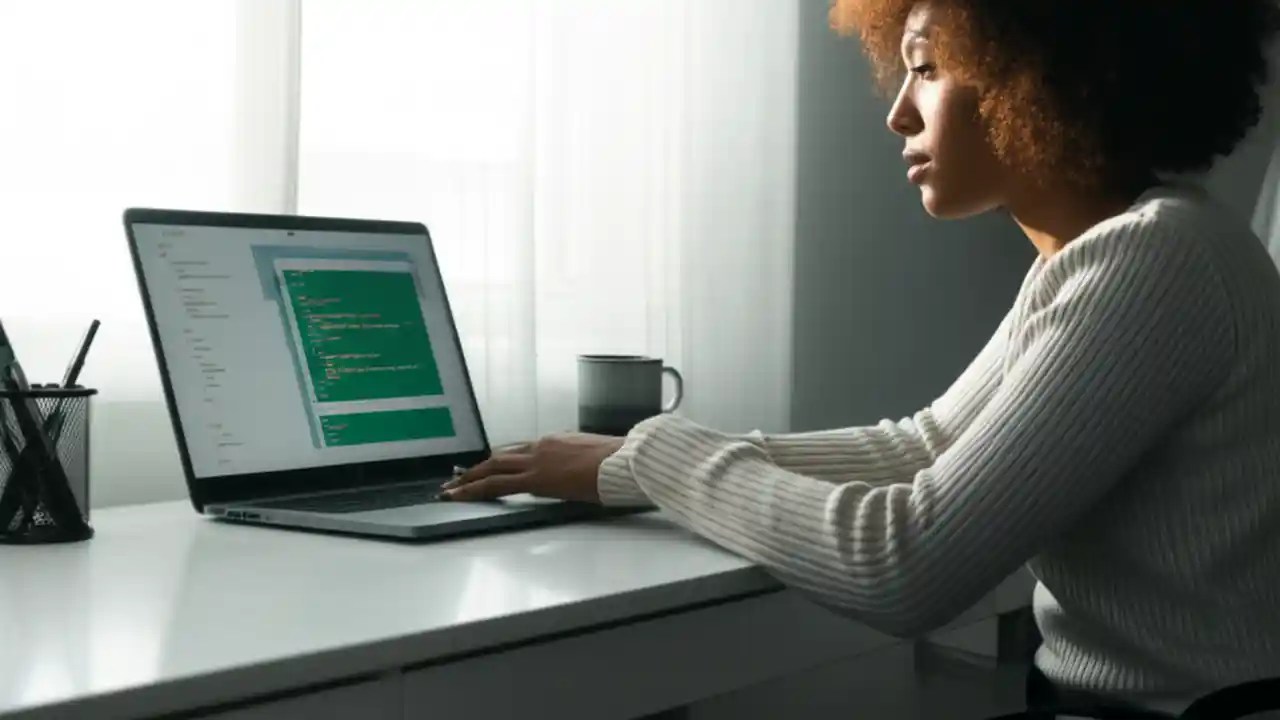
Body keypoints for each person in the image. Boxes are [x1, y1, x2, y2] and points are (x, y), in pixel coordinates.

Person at [442, 0, 1280, 713]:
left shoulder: (1158, 262)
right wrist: (624, 466)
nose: (898, 113)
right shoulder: (1112, 252)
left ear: (1045, 75)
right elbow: (920, 448)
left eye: (929, 68)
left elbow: (905, 563)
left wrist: (661, 454)